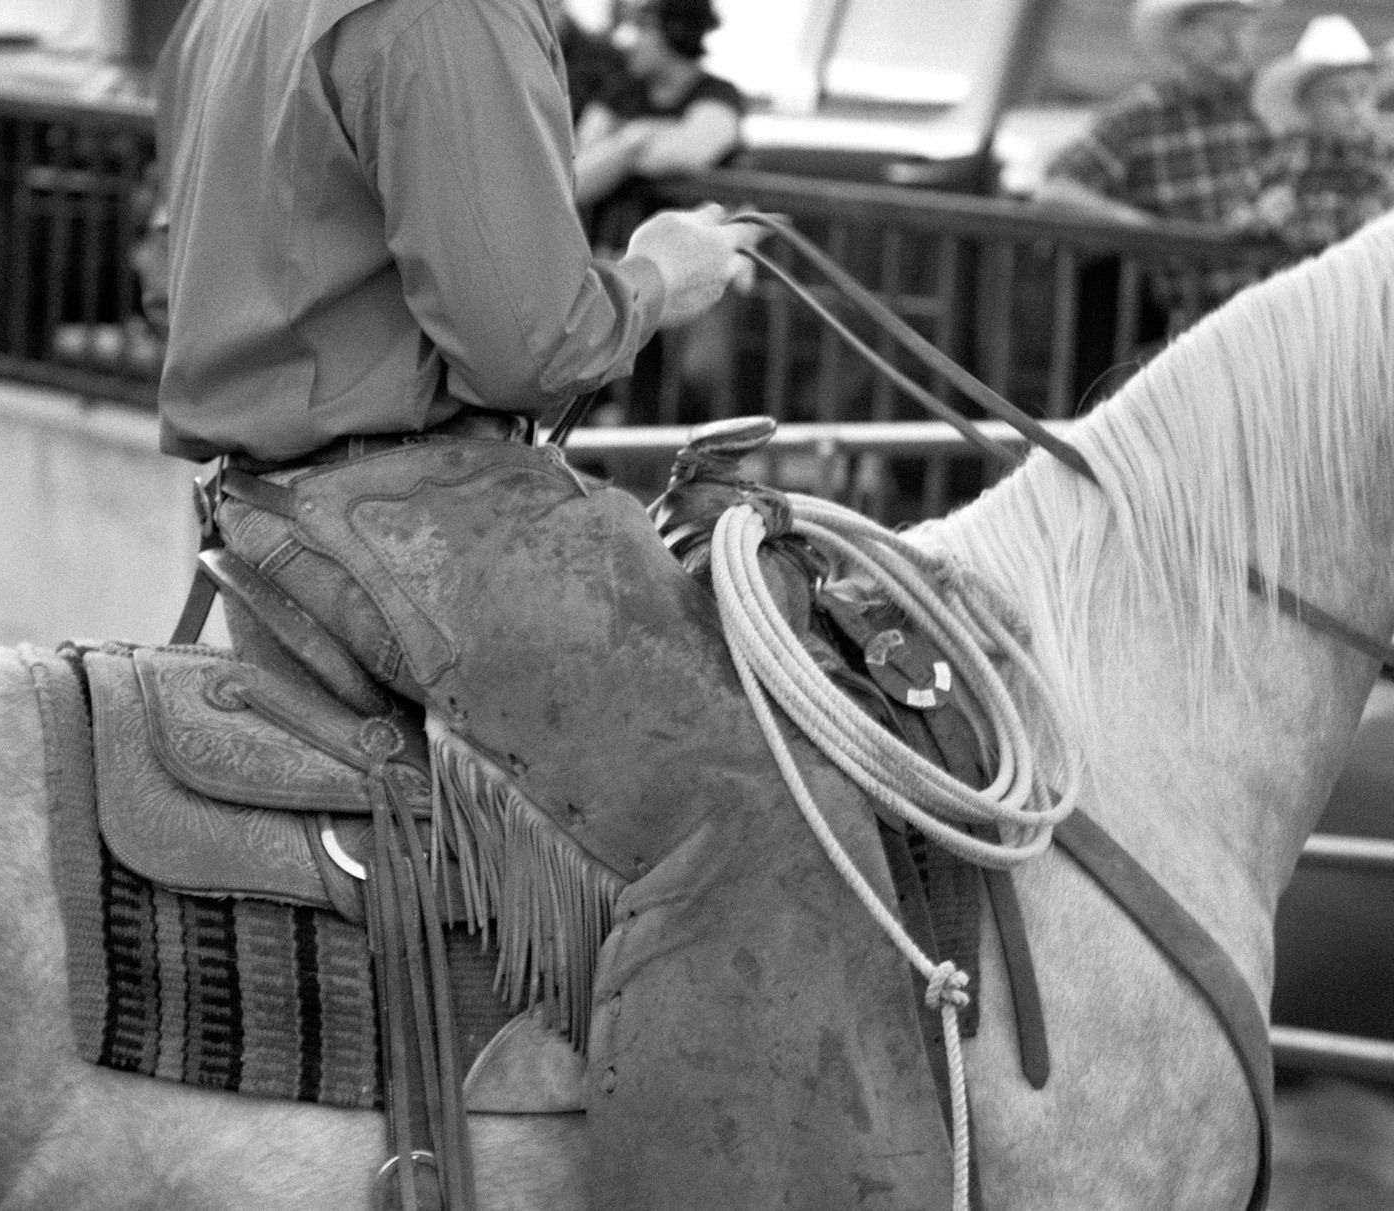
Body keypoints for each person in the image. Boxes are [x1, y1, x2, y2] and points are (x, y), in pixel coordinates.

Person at [151, 0, 954, 1206]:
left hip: (271, 503)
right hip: (412, 501)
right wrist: (660, 277)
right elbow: (527, 344)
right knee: (773, 797)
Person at [1034, 0, 1274, 324]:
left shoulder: (1278, 104)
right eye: (1219, 28)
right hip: (1196, 325)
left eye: (1245, 27)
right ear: (1179, 38)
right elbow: (1055, 193)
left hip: (1286, 314)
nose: (1235, 41)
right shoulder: (1140, 115)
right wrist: (1144, 229)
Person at [573, 0, 746, 422]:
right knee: (632, 385)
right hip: (632, 265)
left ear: (675, 32)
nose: (629, 42)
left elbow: (689, 151)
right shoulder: (620, 92)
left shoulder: (718, 95)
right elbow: (577, 176)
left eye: (643, 29)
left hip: (703, 266)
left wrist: (623, 149)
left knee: (696, 380)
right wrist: (635, 142)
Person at [1232, 14, 1394, 259]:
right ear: (1307, 107)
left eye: (1363, 93)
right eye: (1338, 95)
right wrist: (1260, 216)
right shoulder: (1285, 159)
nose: (1355, 106)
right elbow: (1237, 218)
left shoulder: (1386, 152)